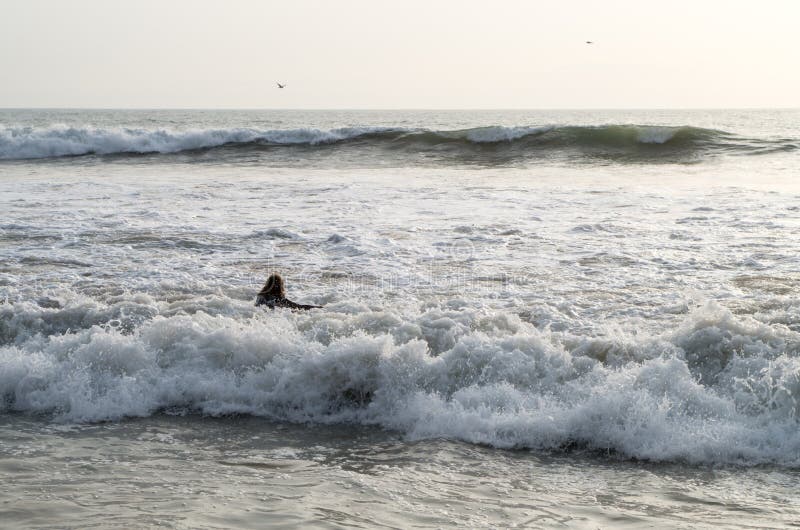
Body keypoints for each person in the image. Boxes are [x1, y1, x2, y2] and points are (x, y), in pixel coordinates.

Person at [255, 273, 322, 310]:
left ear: (267, 284)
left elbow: (255, 308)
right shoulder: (279, 299)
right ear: (280, 286)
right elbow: (299, 307)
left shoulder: (260, 296)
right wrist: (315, 307)